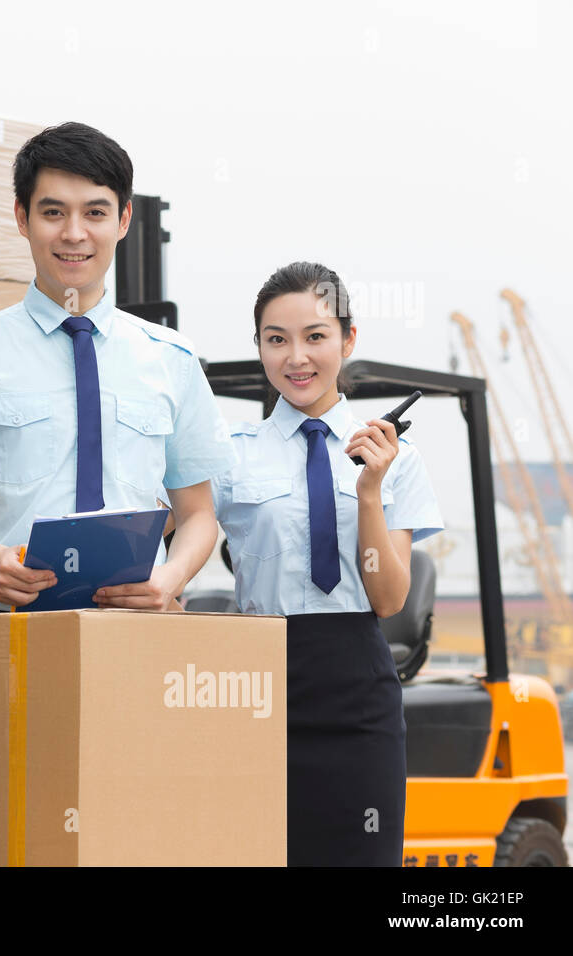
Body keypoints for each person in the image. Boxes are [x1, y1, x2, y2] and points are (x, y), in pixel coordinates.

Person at [0, 122, 236, 613]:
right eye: (53, 212)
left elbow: (198, 512)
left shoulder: (171, 359)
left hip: (135, 629)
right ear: (22, 217)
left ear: (123, 219)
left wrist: (171, 576)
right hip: (9, 628)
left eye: (95, 212)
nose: (74, 233)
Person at [211, 261, 443, 866]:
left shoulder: (398, 459)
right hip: (254, 689)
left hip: (356, 695)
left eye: (315, 336)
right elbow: (172, 536)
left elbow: (390, 600)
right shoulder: (230, 458)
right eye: (276, 339)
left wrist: (370, 490)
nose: (297, 357)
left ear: (348, 340)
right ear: (259, 345)